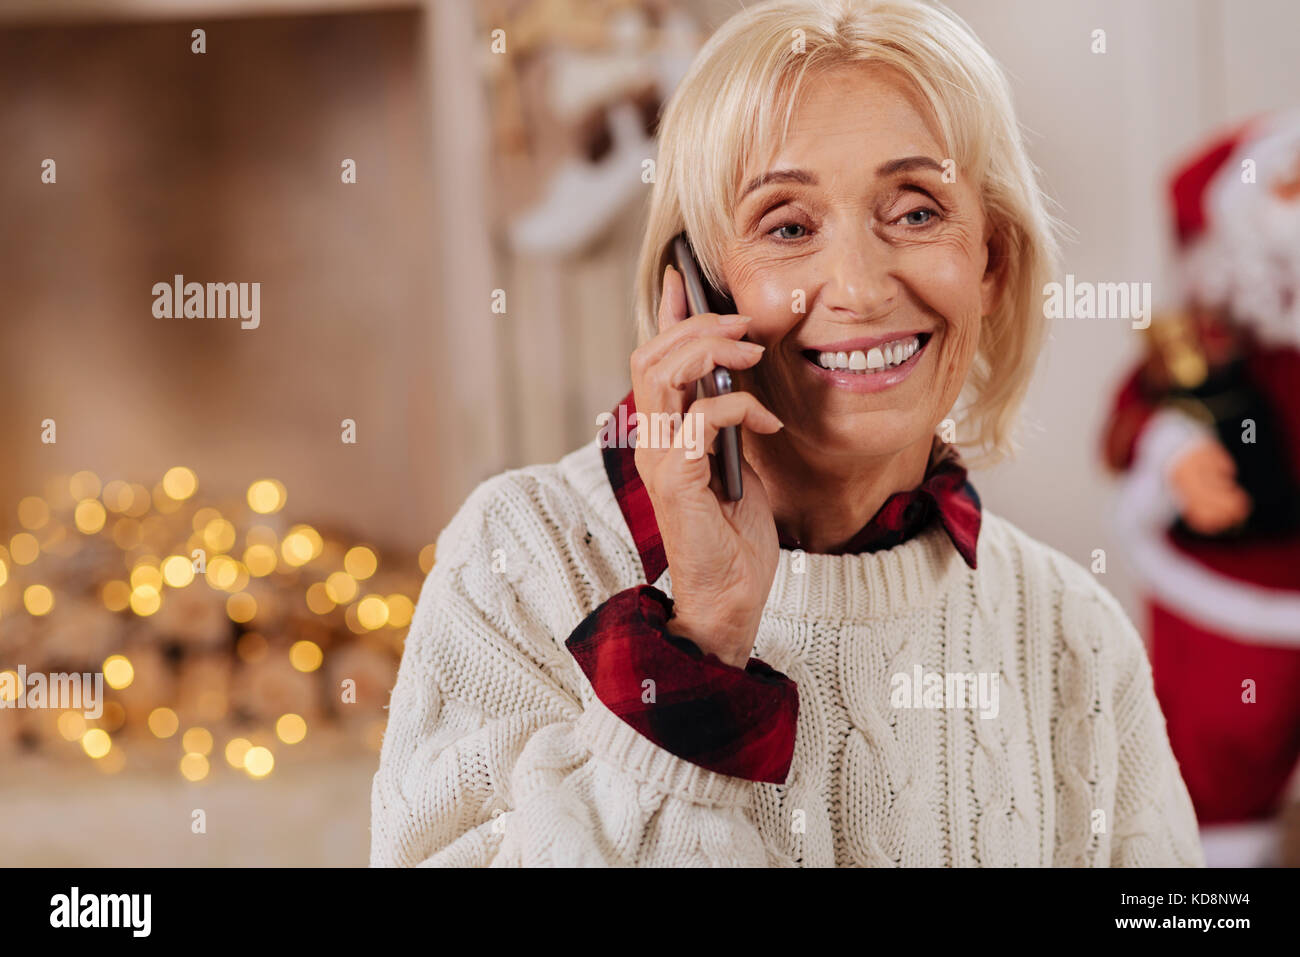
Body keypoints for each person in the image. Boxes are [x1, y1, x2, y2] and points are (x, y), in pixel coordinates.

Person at [371, 0, 1203, 867]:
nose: (860, 289)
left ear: (989, 262)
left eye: (917, 212)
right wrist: (700, 640)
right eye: (789, 226)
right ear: (695, 290)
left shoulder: (1072, 628)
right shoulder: (520, 559)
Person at [1102, 112, 1300, 867]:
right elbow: (1127, 428)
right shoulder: (1193, 346)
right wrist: (1174, 449)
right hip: (1227, 595)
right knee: (1218, 764)